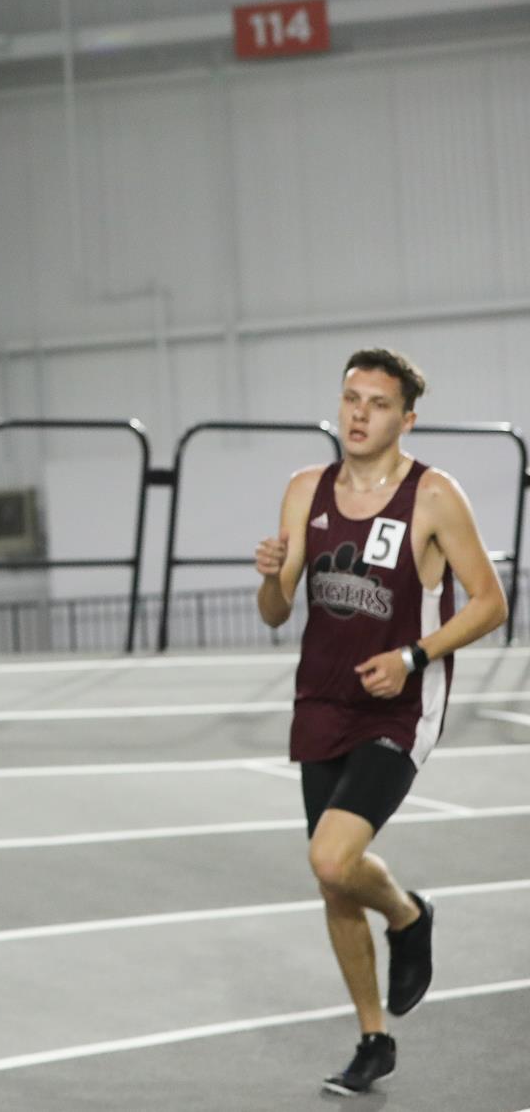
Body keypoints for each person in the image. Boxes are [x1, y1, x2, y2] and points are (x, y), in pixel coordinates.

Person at [253, 347, 507, 1097]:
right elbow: (275, 612)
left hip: (399, 702)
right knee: (333, 886)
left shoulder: (433, 496)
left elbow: (491, 602)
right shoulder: (306, 488)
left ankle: (406, 912)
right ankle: (373, 1038)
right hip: (321, 698)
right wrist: (270, 574)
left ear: (406, 417)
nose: (359, 414)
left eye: (377, 403)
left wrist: (413, 655)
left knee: (333, 859)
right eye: (351, 398)